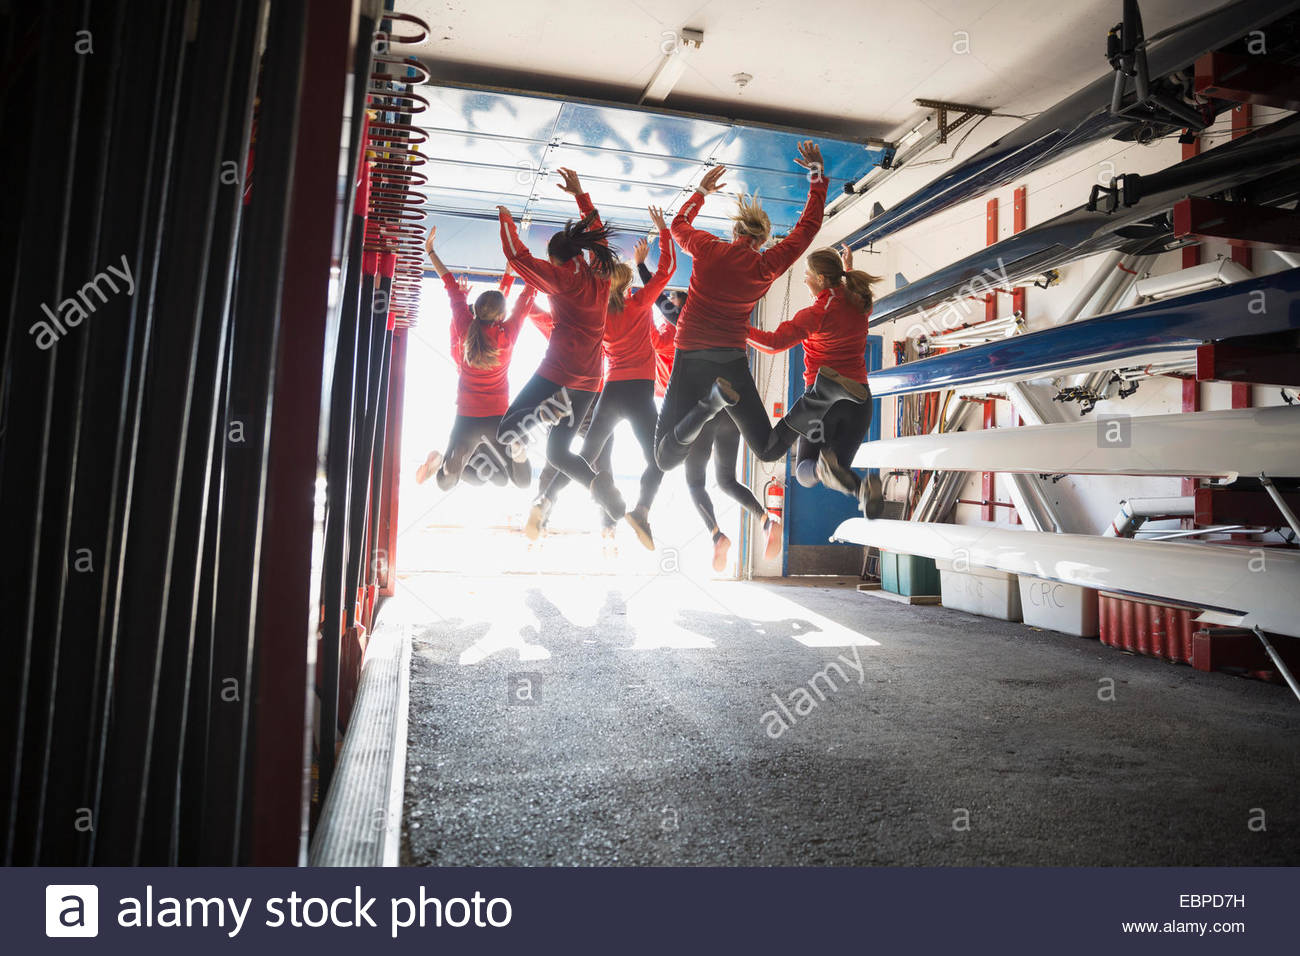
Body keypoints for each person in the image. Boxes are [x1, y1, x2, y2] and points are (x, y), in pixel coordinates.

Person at [654, 140, 870, 474]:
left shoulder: (707, 248)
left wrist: (700, 192)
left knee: (666, 459)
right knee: (768, 450)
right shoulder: (766, 266)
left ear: (735, 230)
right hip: (731, 360)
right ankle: (818, 396)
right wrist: (816, 177)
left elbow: (677, 224)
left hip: (692, 353)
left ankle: (714, 403)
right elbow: (808, 228)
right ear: (762, 240)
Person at [527, 204, 678, 550]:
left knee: (584, 457)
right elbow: (667, 270)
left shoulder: (595, 316)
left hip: (609, 394)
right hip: (639, 394)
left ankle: (544, 503)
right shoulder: (639, 304)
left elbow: (559, 329)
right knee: (657, 458)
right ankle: (641, 510)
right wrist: (662, 230)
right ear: (627, 285)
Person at [495, 167, 625, 522]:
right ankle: (601, 487)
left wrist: (506, 220)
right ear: (578, 253)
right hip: (589, 379)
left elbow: (517, 258)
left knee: (507, 431)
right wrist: (579, 193)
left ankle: (546, 413)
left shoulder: (561, 279)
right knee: (558, 452)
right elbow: (598, 233)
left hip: (558, 373)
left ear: (557, 260)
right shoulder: (600, 271)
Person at [747, 244, 884, 516]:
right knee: (837, 470)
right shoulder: (859, 302)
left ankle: (838, 478)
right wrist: (848, 270)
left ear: (821, 279)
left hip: (825, 400)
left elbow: (774, 343)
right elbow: (851, 291)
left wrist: (738, 330)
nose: (804, 279)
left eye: (807, 273)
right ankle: (862, 492)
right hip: (860, 402)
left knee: (804, 470)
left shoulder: (818, 313)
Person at [414, 226, 534, 491]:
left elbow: (451, 287)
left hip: (467, 419)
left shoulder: (464, 325)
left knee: (447, 482)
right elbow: (526, 298)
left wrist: (431, 251)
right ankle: (516, 453)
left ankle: (447, 464)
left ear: (476, 310)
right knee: (520, 482)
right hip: (497, 420)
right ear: (500, 317)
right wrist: (525, 269)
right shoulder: (506, 335)